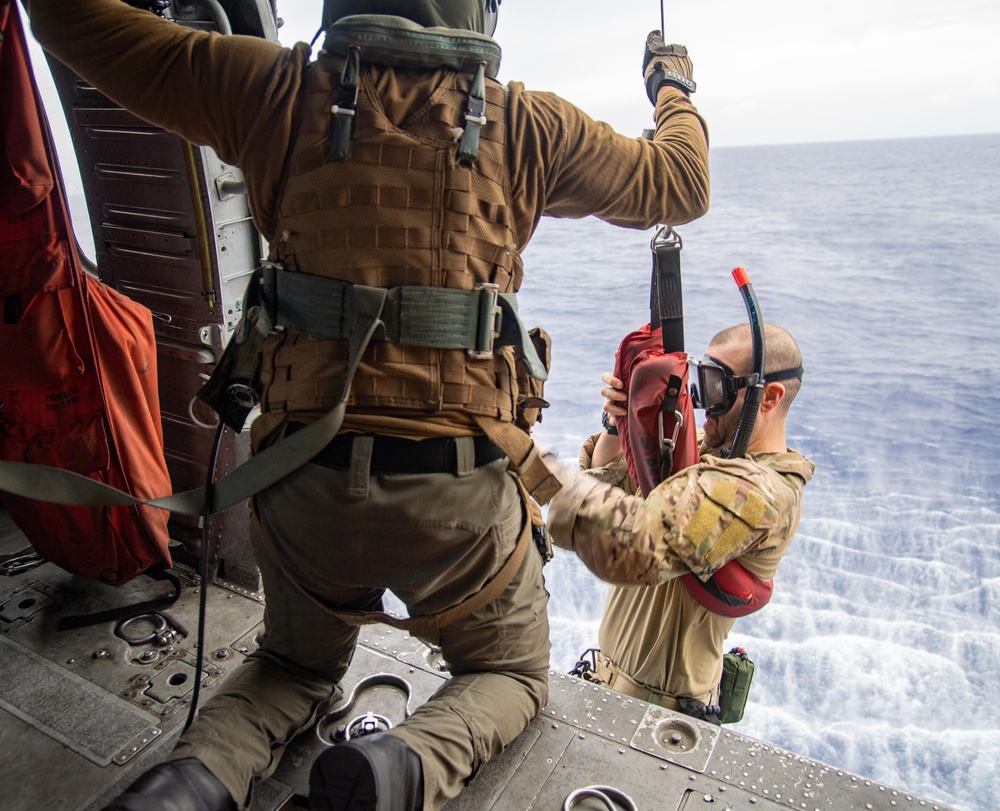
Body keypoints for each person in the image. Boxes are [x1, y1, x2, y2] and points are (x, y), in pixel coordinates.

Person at [24, 1, 709, 809]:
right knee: (510, 673)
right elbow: (683, 182)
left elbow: (67, 20)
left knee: (292, 665)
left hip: (299, 478)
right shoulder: (530, 127)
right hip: (455, 496)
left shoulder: (270, 90)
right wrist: (671, 85)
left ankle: (186, 784)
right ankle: (401, 766)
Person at [546, 323, 815, 722]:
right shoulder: (709, 451)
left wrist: (537, 468)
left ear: (770, 397)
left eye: (719, 387)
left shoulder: (761, 493)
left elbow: (639, 542)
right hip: (605, 682)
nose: (704, 403)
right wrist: (618, 424)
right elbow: (611, 485)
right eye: (701, 381)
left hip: (662, 715)